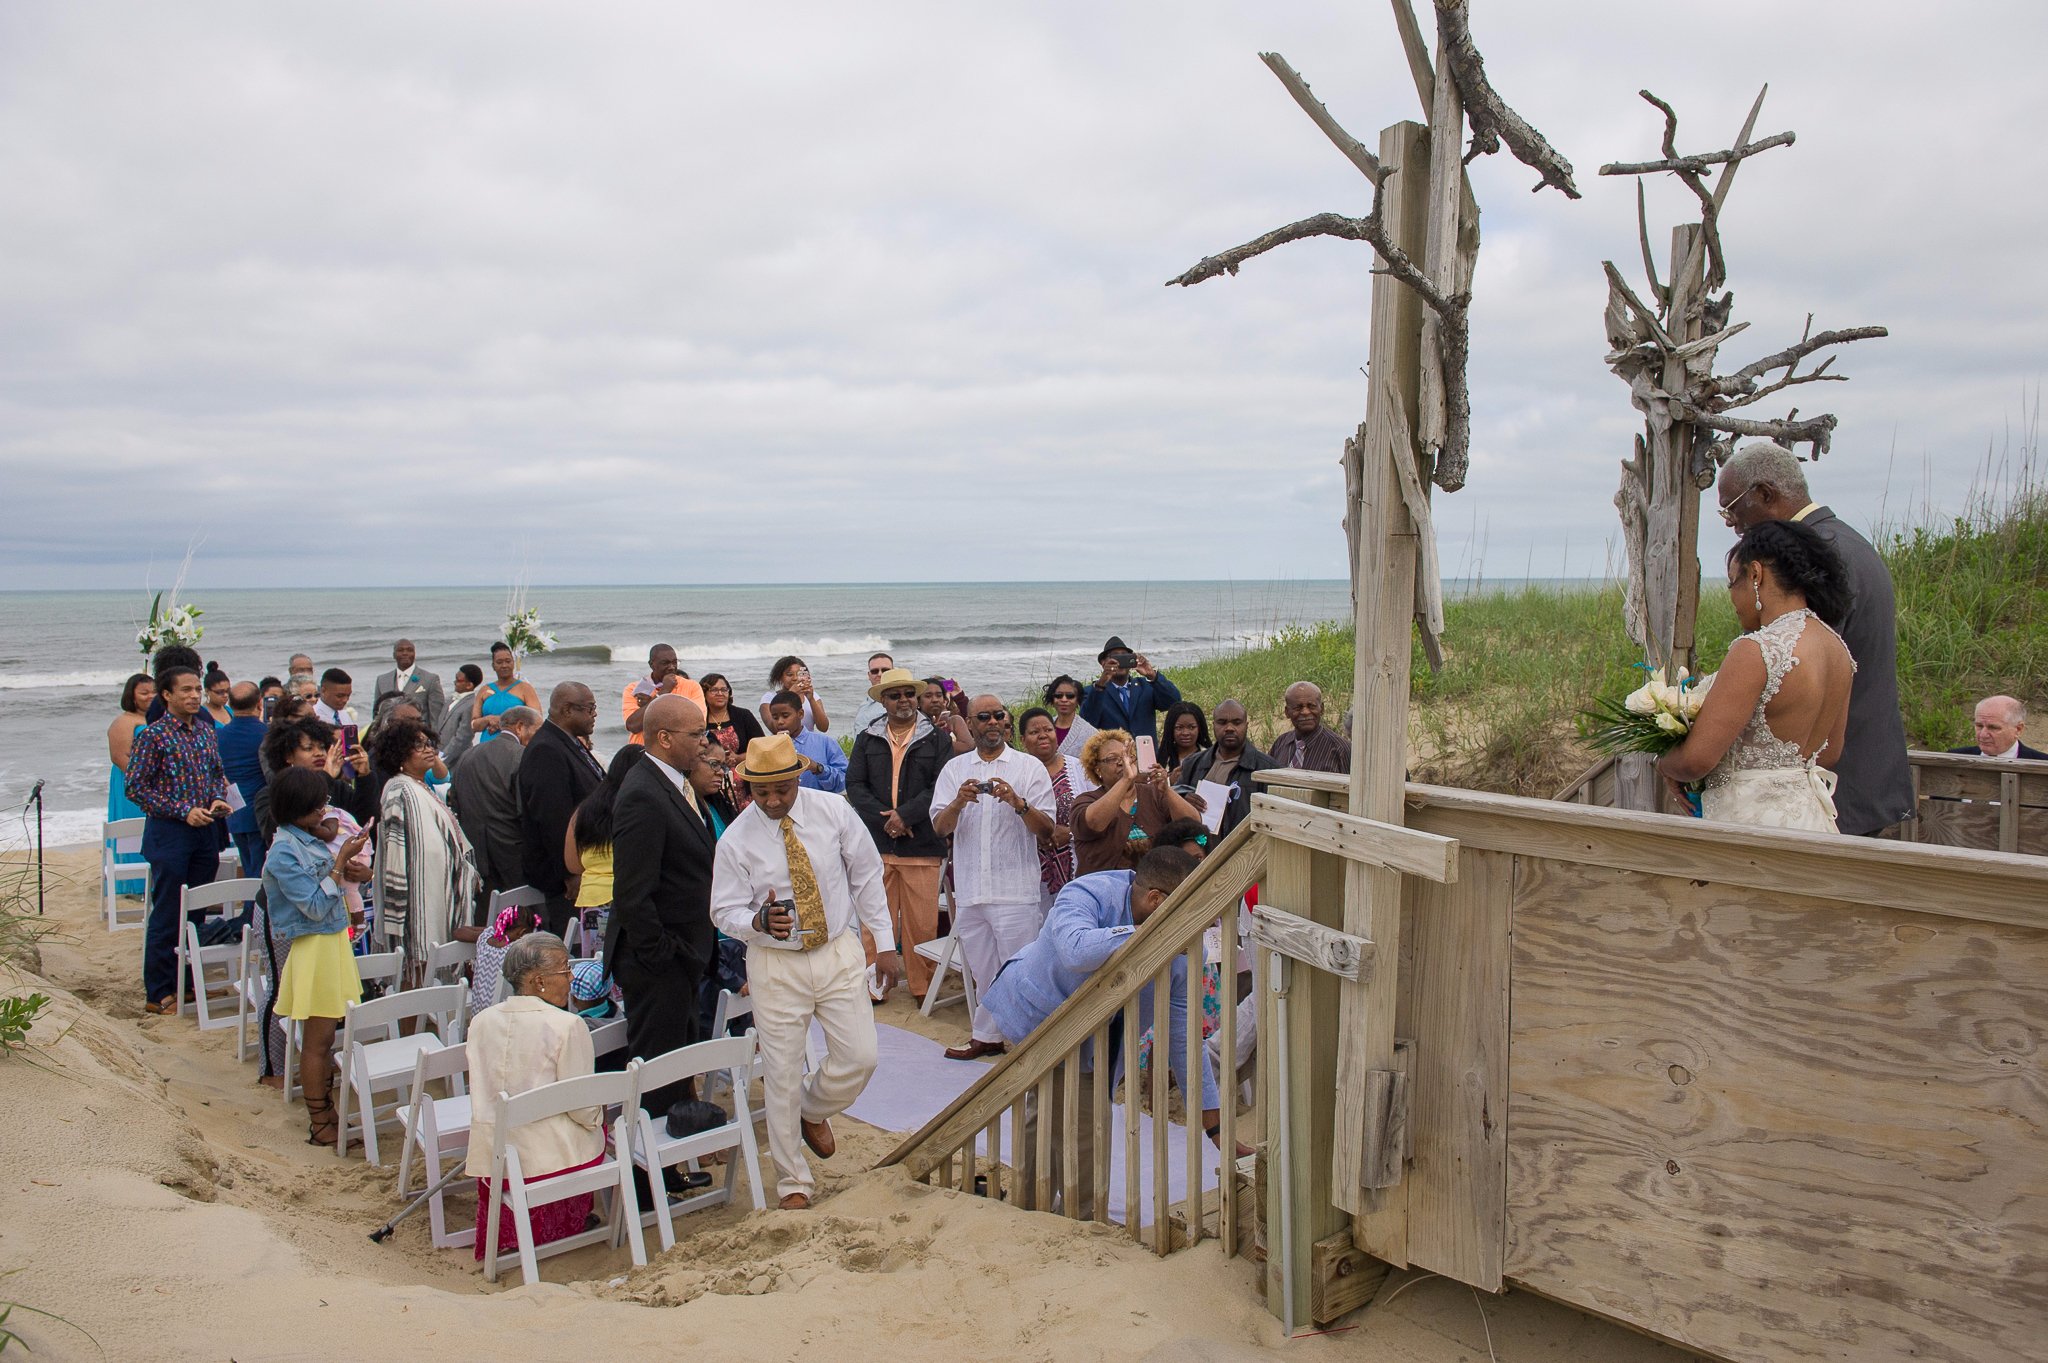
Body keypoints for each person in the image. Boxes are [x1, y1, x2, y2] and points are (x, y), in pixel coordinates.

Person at [710, 734, 900, 1210]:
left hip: (837, 950)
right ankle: (793, 1183)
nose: (773, 801)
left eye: (782, 790)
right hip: (776, 965)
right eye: (762, 793)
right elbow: (722, 910)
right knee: (781, 1073)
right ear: (749, 787)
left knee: (861, 1057)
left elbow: (866, 875)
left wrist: (887, 944)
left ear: (797, 777)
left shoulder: (833, 811)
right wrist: (755, 922)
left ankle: (810, 1109)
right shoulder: (736, 838)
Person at [979, 849, 1219, 1215]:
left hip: (1097, 1034)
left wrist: (1212, 1121)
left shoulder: (1185, 948)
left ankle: (1030, 1207)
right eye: (1186, 909)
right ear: (1156, 899)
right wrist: (1143, 933)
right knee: (1081, 1120)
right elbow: (1077, 951)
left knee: (1051, 1113)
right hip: (1039, 1012)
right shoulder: (1087, 892)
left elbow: (1184, 1036)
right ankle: (1082, 1217)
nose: (1193, 921)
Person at [1717, 440, 1915, 834]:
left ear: (1765, 494)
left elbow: (1797, 673)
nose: (1730, 524)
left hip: (1828, 792)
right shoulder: (1847, 541)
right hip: (1865, 776)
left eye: (1731, 508)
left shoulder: (1815, 557)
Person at [1656, 521, 1855, 832]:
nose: (1733, 599)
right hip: (1812, 823)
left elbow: (1697, 760)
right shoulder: (1838, 650)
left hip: (1752, 826)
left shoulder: (1756, 650)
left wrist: (1665, 762)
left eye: (1733, 584)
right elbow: (1829, 754)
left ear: (1756, 575)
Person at [606, 694, 718, 1118]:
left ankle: (673, 1162)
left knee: (678, 1064)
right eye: (697, 735)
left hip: (684, 955)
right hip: (658, 963)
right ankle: (651, 1177)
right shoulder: (643, 794)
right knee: (657, 1071)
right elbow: (633, 892)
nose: (705, 744)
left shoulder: (675, 784)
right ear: (665, 739)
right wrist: (666, 955)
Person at [464, 932, 606, 1262]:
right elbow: (583, 1108)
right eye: (564, 969)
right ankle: (567, 1224)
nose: (571, 977)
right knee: (597, 1126)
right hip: (549, 1155)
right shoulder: (568, 1025)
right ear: (538, 980)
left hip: (494, 1150)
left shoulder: (481, 1021)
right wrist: (599, 1122)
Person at [929, 696, 1057, 1060]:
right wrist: (957, 802)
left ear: (1007, 721)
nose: (991, 722)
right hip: (971, 887)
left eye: (998, 715)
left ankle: (1031, 1041)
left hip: (1015, 889)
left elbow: (1046, 829)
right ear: (969, 724)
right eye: (982, 717)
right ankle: (987, 1035)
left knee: (1021, 970)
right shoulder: (954, 770)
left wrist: (1018, 803)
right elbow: (940, 827)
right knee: (984, 970)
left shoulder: (1028, 767)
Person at [264, 766, 371, 1146]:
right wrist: (341, 860)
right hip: (313, 945)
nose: (325, 810)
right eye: (317, 805)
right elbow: (311, 904)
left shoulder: (306, 839)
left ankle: (327, 1116)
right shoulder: (283, 851)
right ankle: (320, 1122)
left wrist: (352, 863)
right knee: (318, 1042)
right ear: (297, 808)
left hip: (329, 941)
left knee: (326, 1037)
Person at [124, 666, 230, 1014]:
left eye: (196, 689)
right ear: (166, 695)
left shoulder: (204, 730)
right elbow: (136, 788)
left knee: (196, 912)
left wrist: (215, 798)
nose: (193, 695)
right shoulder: (152, 735)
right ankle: (159, 992)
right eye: (185, 690)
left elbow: (216, 773)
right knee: (169, 911)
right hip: (170, 833)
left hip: (205, 831)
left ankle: (188, 984)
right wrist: (182, 810)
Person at [845, 668, 954, 998]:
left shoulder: (936, 739)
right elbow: (855, 786)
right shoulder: (867, 738)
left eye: (909, 694)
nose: (903, 700)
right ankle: (874, 987)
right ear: (883, 701)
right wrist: (887, 821)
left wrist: (905, 816)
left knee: (921, 923)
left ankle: (921, 987)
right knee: (874, 922)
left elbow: (941, 786)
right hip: (877, 844)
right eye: (895, 695)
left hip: (921, 844)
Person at [373, 717, 481, 987]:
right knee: (415, 967)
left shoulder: (419, 787)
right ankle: (412, 1026)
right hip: (416, 901)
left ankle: (425, 1020)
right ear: (399, 754)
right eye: (418, 745)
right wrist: (401, 913)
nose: (429, 749)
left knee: (427, 968)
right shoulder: (400, 791)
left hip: (432, 894)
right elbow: (397, 855)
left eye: (429, 743)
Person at [518, 682, 606, 935]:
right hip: (565, 877)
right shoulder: (547, 749)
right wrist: (570, 873)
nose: (595, 714)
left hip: (587, 867)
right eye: (590, 709)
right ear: (567, 710)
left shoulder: (569, 742)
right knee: (575, 942)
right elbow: (552, 818)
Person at [1070, 728, 1206, 875]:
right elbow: (1094, 823)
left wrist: (1166, 790)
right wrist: (1126, 780)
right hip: (1104, 889)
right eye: (1112, 759)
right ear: (1097, 769)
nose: (1122, 763)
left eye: (1126, 756)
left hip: (1155, 887)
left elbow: (1193, 824)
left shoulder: (1153, 793)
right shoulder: (1086, 800)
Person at [450, 704, 540, 904]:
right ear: (520, 727)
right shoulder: (522, 756)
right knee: (522, 911)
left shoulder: (467, 755)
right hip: (513, 849)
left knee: (486, 912)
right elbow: (526, 809)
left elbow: (454, 800)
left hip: (474, 847)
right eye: (537, 731)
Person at [565, 744, 646, 954]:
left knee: (598, 965)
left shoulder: (585, 810)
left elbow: (573, 864)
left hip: (593, 900)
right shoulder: (642, 808)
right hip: (632, 897)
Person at [1017, 707, 1093, 907]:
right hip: (1031, 870)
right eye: (1034, 732)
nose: (1043, 736)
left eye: (1048, 730)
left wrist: (1070, 833)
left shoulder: (1080, 769)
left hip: (1076, 867)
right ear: (1023, 740)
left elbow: (1098, 815)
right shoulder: (1016, 773)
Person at [1179, 699, 1280, 837]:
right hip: (1199, 850)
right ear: (1213, 725)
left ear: (1246, 725)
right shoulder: (1193, 763)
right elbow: (1173, 799)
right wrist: (1184, 799)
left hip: (1243, 851)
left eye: (1237, 722)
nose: (1229, 728)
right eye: (1222, 722)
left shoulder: (1267, 770)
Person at [1079, 636, 1182, 745]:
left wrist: (1152, 675)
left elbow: (1174, 702)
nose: (1119, 661)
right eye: (1115, 657)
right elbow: (1087, 723)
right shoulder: (1092, 692)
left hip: (1145, 754)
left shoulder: (1145, 686)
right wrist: (1101, 684)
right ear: (1103, 663)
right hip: (1113, 757)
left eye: (1124, 656)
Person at [216, 681, 270, 880]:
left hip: (234, 806)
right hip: (261, 808)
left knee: (247, 863)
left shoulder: (219, 735)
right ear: (259, 703)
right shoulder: (266, 734)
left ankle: (249, 909)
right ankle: (253, 910)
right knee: (259, 868)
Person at [699, 673, 766, 801]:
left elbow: (762, 748)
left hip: (745, 782)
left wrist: (738, 758)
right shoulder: (700, 719)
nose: (720, 693)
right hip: (712, 781)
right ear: (704, 694)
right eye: (714, 690)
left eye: (724, 689)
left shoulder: (743, 715)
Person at [764, 690, 847, 794]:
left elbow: (844, 780)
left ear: (800, 714)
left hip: (819, 805)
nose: (780, 722)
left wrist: (818, 768)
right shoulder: (767, 747)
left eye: (785, 716)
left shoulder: (825, 742)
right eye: (775, 718)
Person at [623, 644, 705, 746]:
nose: (671, 667)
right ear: (651, 664)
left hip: (679, 752)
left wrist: (649, 705)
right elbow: (633, 725)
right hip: (642, 752)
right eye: (665, 663)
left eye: (675, 662)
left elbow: (697, 723)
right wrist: (663, 691)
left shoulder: (692, 686)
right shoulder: (635, 689)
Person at [373, 639, 449, 743]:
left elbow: (437, 716)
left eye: (409, 650)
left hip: (418, 740)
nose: (405, 653)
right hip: (389, 741)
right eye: (401, 650)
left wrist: (434, 742)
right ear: (394, 655)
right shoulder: (382, 680)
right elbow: (377, 714)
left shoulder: (430, 679)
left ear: (414, 654)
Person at [1269, 681, 1352, 773]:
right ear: (1287, 712)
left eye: (1311, 706)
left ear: (1322, 709)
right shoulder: (1280, 743)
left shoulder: (1340, 749)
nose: (1305, 712)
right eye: (1298, 707)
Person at [106, 671, 154, 829]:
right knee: (136, 828)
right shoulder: (125, 721)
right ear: (132, 696)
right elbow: (119, 757)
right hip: (134, 782)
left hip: (157, 780)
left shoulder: (158, 718)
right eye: (144, 693)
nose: (151, 696)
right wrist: (144, 782)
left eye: (154, 692)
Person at [473, 643, 542, 744]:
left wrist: (502, 721)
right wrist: (488, 719)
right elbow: (473, 725)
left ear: (513, 663)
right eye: (499, 662)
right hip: (486, 745)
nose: (504, 665)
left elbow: (536, 720)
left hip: (515, 745)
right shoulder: (484, 690)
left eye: (508, 661)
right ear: (493, 666)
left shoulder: (525, 688)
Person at [1950, 696, 2044, 761]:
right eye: (1979, 726)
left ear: (2018, 729)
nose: (1983, 734)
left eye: (1993, 728)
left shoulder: (2043, 764)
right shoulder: (1953, 759)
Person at [759, 655, 828, 734]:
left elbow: (824, 727)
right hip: (782, 743)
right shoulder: (769, 698)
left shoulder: (814, 696)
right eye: (789, 674)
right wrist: (790, 695)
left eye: (799, 674)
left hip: (808, 743)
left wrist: (811, 699)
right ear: (780, 678)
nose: (795, 678)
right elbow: (774, 728)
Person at [442, 664, 486, 770]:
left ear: (469, 685)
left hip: (455, 760)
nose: (454, 683)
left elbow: (463, 737)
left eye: (458, 680)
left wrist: (443, 758)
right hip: (438, 752)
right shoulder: (449, 700)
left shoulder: (472, 704)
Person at [1043, 675, 1097, 758]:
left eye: (1070, 696)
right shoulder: (1044, 727)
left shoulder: (1091, 734)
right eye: (1058, 695)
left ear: (1078, 700)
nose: (1064, 700)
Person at [920, 678, 973, 755]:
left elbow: (969, 746)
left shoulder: (955, 720)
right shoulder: (914, 723)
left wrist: (960, 698)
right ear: (918, 701)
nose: (935, 700)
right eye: (928, 696)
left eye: (939, 695)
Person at [1158, 701, 1210, 776]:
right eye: (1179, 727)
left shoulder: (1209, 757)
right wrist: (1169, 781)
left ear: (1200, 728)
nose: (1185, 733)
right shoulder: (1163, 758)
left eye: (1191, 727)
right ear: (1171, 729)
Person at [849, 652, 896, 733]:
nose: (880, 674)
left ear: (893, 672)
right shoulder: (864, 705)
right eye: (874, 671)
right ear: (869, 675)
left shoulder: (902, 702)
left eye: (885, 670)